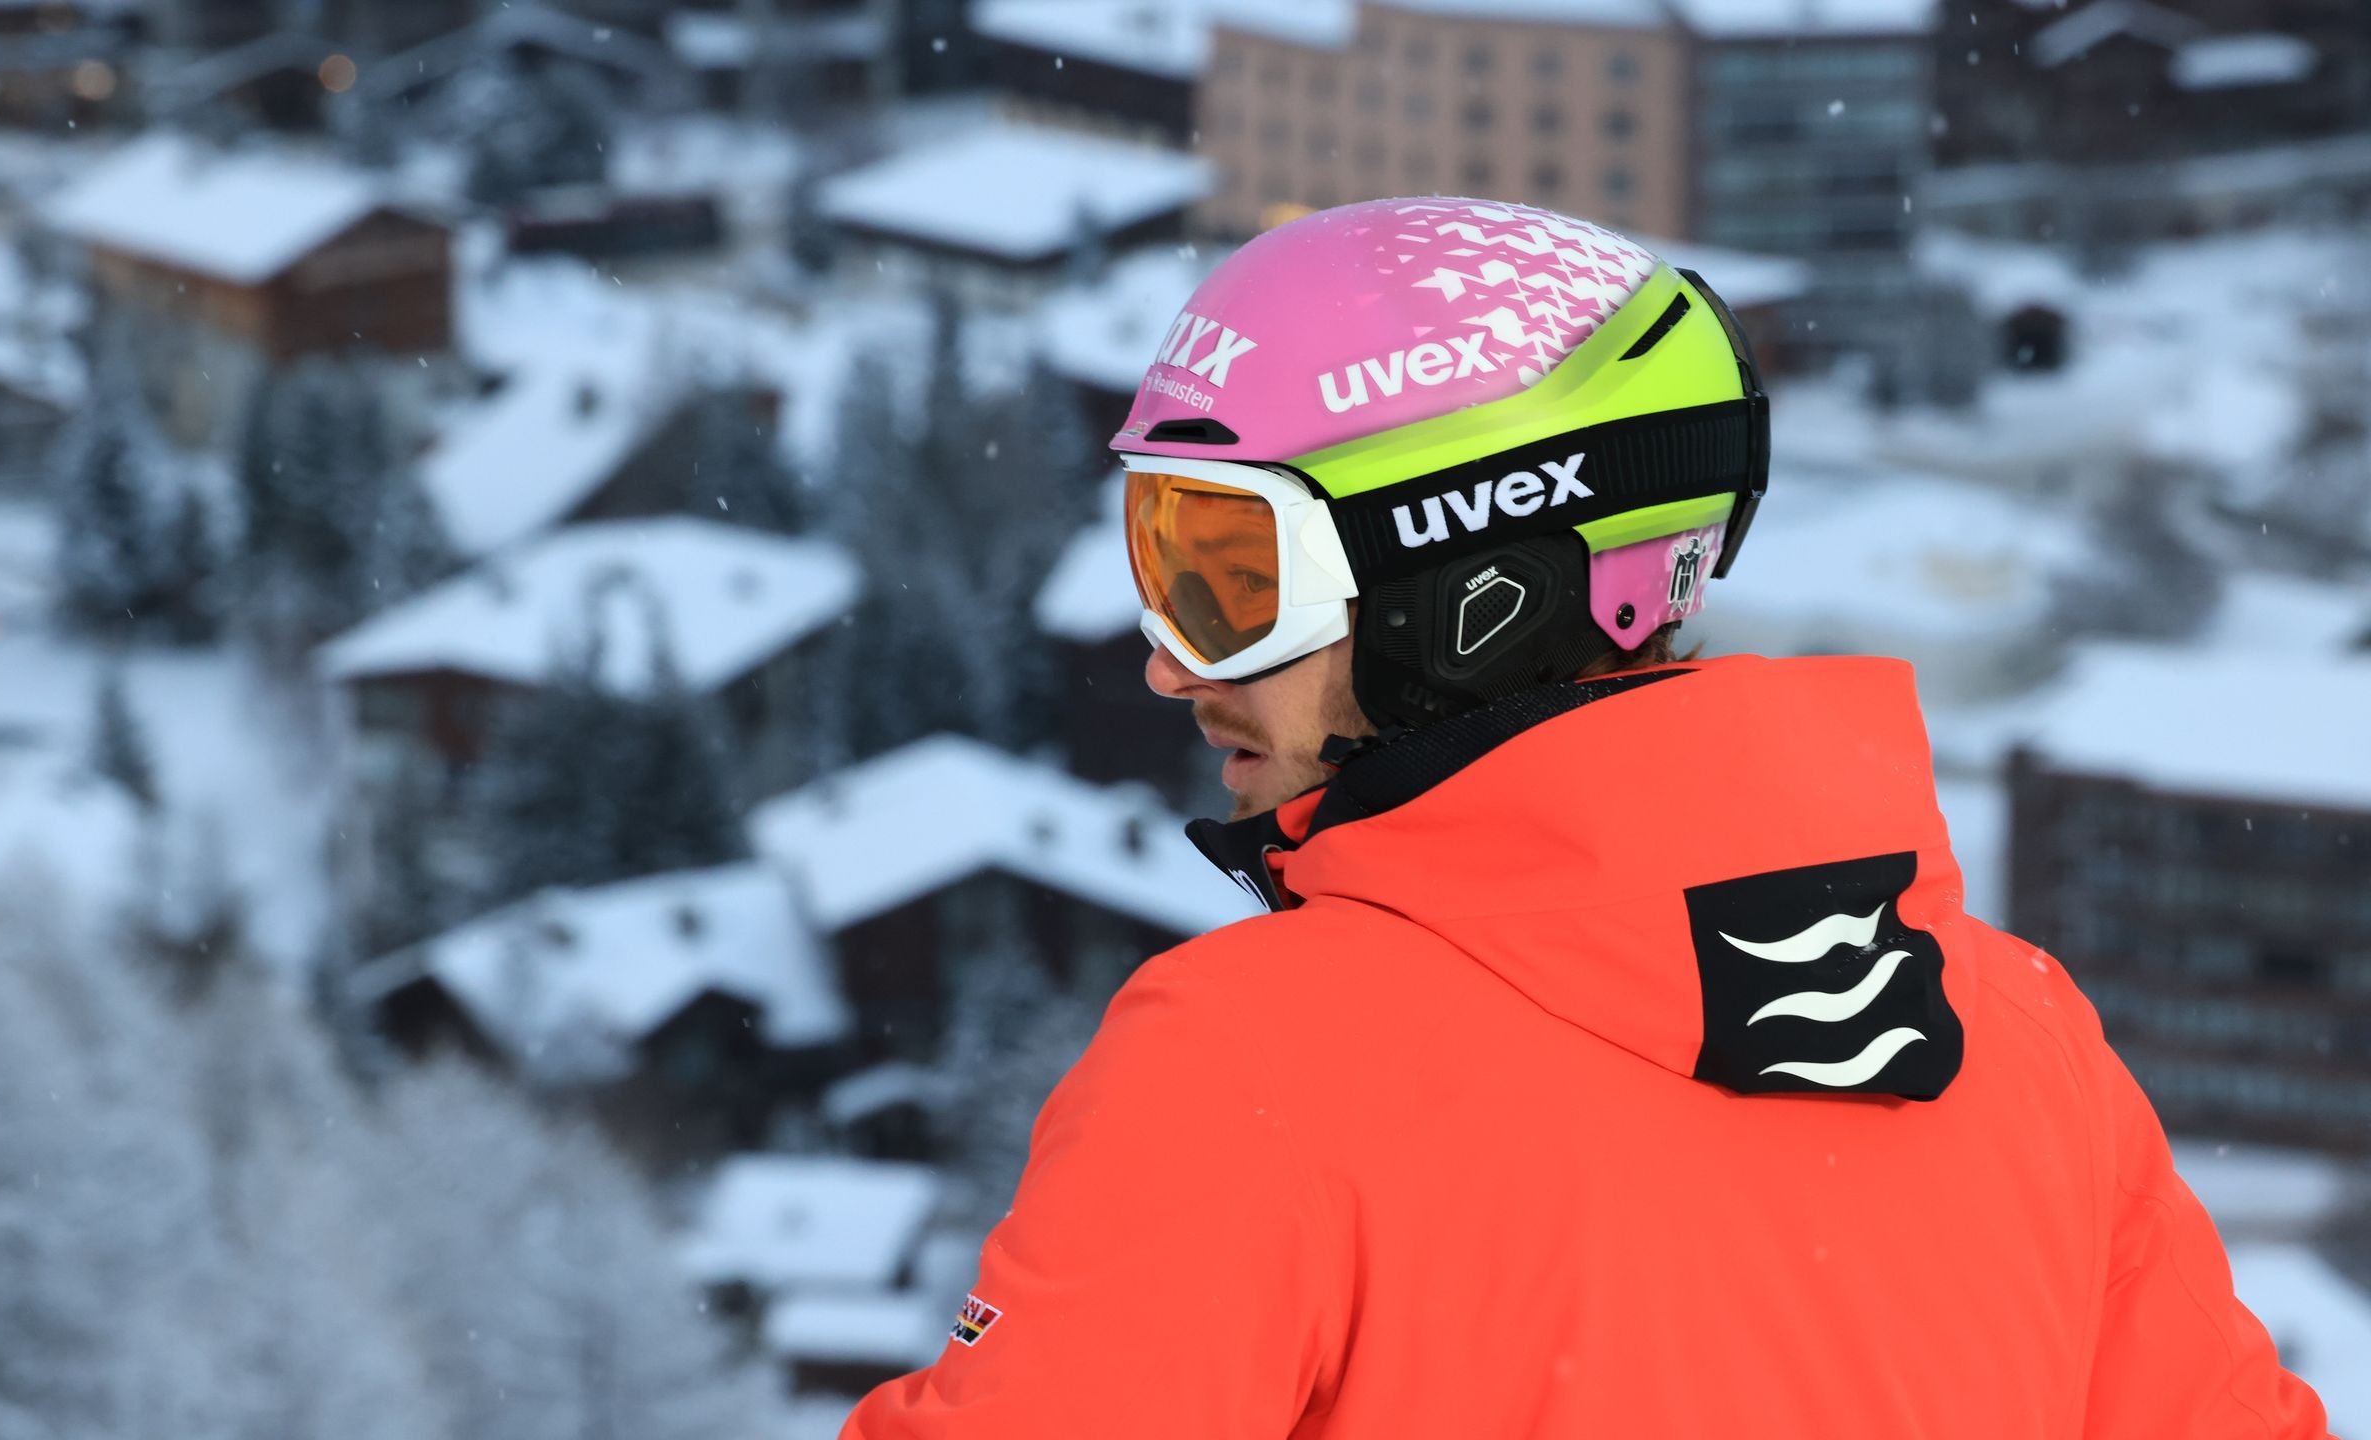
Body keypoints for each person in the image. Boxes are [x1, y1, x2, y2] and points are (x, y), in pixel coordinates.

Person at [838, 199, 2332, 1438]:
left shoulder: (1252, 1060)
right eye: (1163, 564)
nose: (1170, 662)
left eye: (1234, 577)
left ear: (1471, 590)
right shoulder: (2017, 1036)